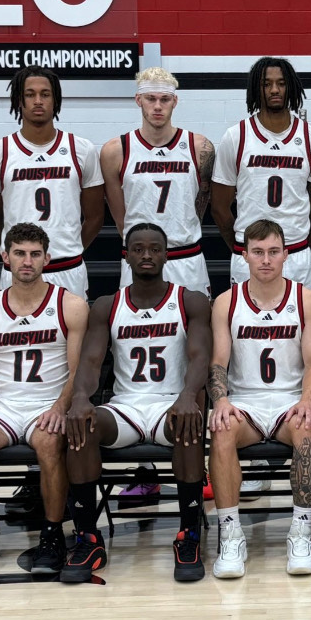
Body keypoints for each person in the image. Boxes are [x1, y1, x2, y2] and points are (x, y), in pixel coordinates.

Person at [62, 223, 212, 582]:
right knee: (83, 424)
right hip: (126, 405)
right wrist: (81, 398)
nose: (147, 255)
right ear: (126, 255)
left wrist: (189, 395)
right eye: (139, 249)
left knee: (189, 424)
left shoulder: (189, 300)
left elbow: (200, 357)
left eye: (155, 249)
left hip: (171, 403)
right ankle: (88, 537)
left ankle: (188, 534)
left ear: (166, 254)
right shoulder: (107, 305)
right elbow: (91, 363)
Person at [0, 223, 88, 576]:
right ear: (5, 257)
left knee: (48, 442)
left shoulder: (70, 306)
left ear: (47, 259)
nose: (27, 261)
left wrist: (61, 407)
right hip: (4, 408)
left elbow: (78, 373)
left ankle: (52, 533)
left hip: (48, 404)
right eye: (20, 253)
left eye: (34, 254)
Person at [207, 219, 311, 578]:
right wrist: (221, 401)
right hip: (245, 401)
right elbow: (218, 362)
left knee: (307, 433)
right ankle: (231, 535)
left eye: (274, 252)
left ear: (286, 255)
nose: (266, 260)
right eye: (258, 252)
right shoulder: (227, 302)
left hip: (290, 397)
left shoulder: (305, 298)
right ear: (244, 255)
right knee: (222, 432)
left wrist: (307, 400)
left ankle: (301, 532)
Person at [0, 65, 105, 300]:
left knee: (73, 337)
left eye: (45, 94)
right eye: (30, 94)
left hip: (68, 268)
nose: (38, 101)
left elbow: (96, 216)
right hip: (17, 272)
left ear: (55, 100)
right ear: (19, 100)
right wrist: (18, 256)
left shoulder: (82, 149)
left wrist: (70, 248)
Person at [211, 57, 311, 287]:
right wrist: (245, 247)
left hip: (294, 254)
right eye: (266, 84)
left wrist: (301, 245)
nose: (274, 89)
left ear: (291, 86)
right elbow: (219, 207)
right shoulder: (236, 136)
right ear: (256, 88)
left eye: (281, 83)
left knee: (297, 323)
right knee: (244, 322)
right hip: (249, 257)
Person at [102, 67, 215, 296]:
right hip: (138, 260)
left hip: (186, 257)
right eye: (150, 98)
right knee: (134, 329)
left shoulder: (199, 147)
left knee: (195, 329)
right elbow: (120, 219)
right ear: (138, 100)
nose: (157, 106)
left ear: (175, 101)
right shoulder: (115, 151)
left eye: (164, 99)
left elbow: (200, 207)